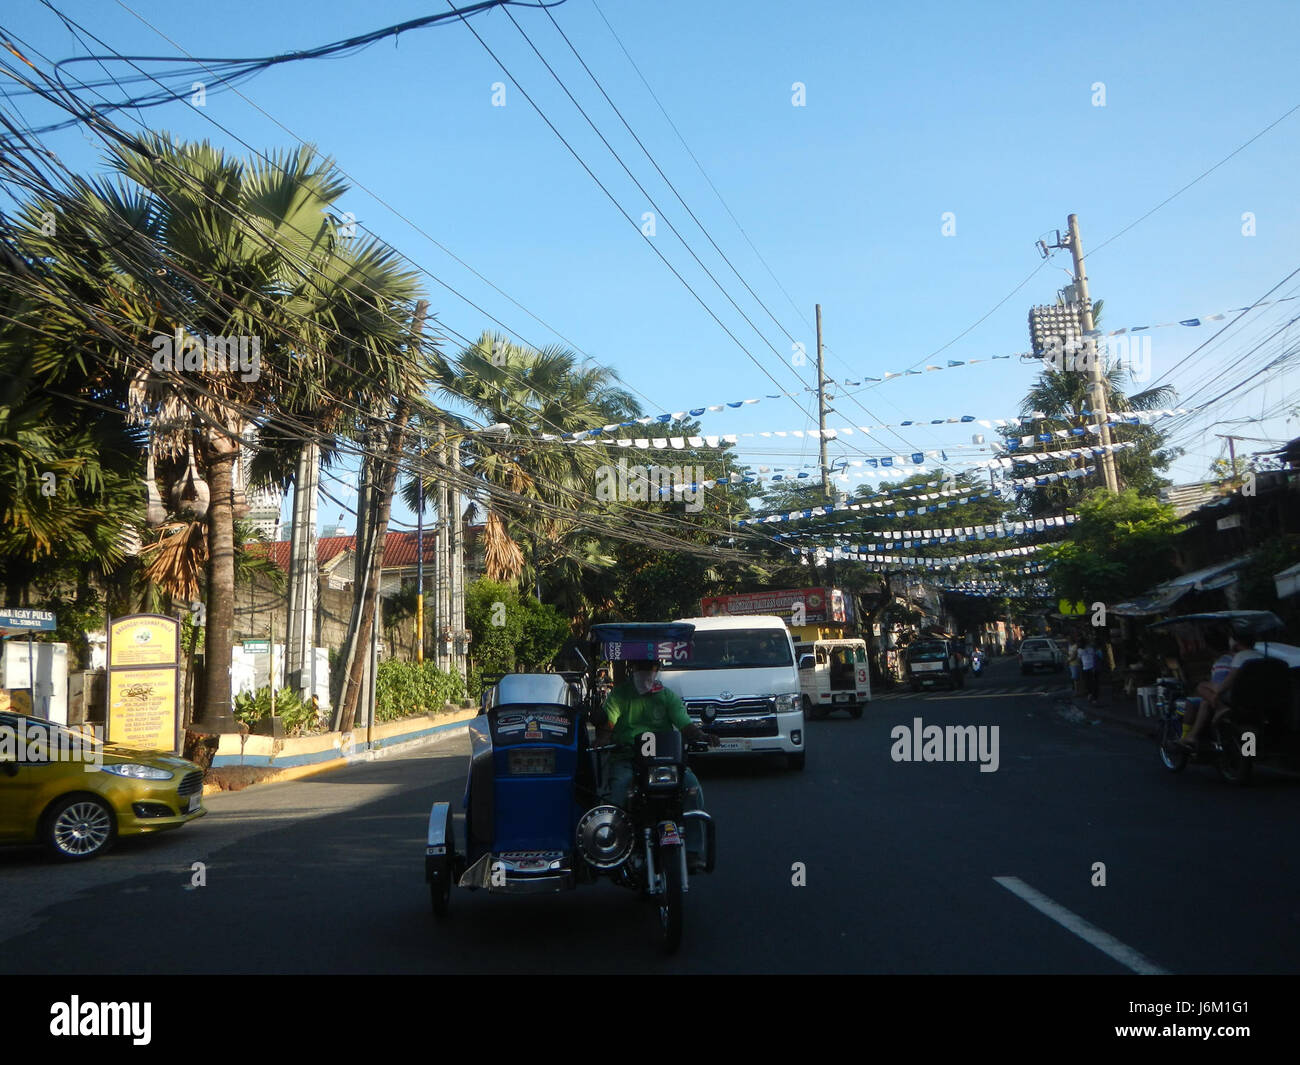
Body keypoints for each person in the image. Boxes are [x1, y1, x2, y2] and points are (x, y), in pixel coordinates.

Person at [595, 659, 720, 870]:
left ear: (657, 670)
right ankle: (618, 848)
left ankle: (692, 851)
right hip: (627, 759)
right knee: (618, 793)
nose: (645, 673)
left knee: (691, 789)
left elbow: (684, 725)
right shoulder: (619, 695)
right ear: (632, 669)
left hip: (663, 762)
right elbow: (609, 722)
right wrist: (603, 739)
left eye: (650, 669)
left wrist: (703, 736)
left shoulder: (667, 697)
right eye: (641, 668)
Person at [1180, 629, 1265, 748]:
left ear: (1236, 642)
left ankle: (1219, 709)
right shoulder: (1261, 655)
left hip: (1237, 696)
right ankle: (1194, 736)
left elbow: (1229, 681)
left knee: (1202, 687)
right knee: (1205, 702)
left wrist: (1216, 694)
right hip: (1257, 697)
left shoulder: (1240, 657)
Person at [1078, 637, 1099, 703]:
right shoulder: (1083, 649)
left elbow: (1079, 659)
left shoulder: (1087, 649)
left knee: (1091, 683)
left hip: (1090, 667)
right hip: (1087, 668)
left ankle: (1093, 696)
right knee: (1089, 683)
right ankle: (1091, 695)